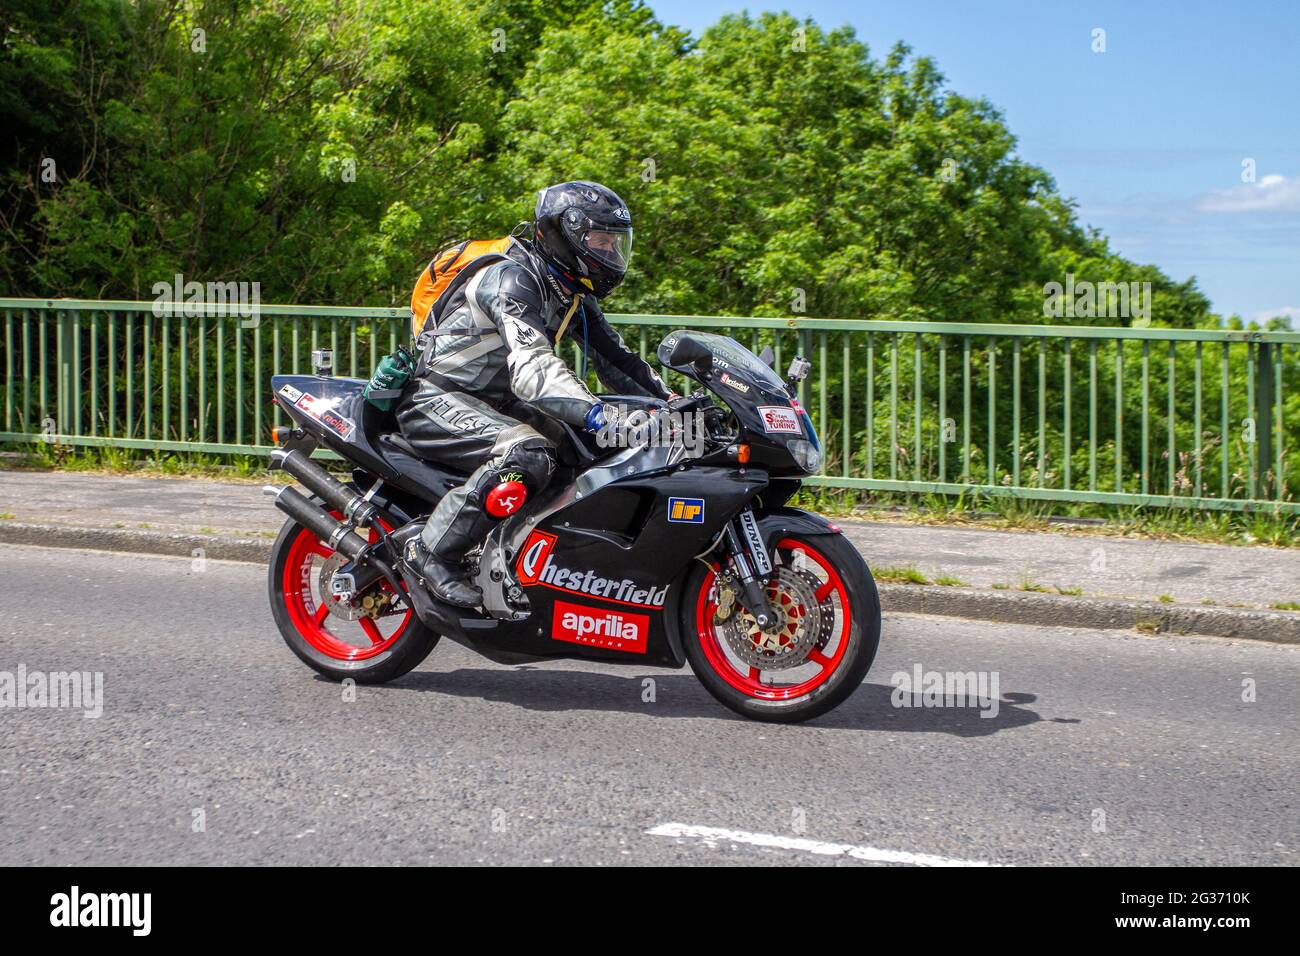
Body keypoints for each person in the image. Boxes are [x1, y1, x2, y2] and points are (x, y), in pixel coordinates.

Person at [396, 181, 674, 607]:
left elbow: (619, 363)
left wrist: (676, 406)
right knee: (527, 453)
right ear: (564, 233)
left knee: (582, 452)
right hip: (437, 397)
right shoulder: (511, 279)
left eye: (614, 244)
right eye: (599, 242)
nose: (611, 255)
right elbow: (534, 371)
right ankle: (431, 553)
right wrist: (601, 415)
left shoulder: (568, 290)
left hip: (493, 402)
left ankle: (518, 562)